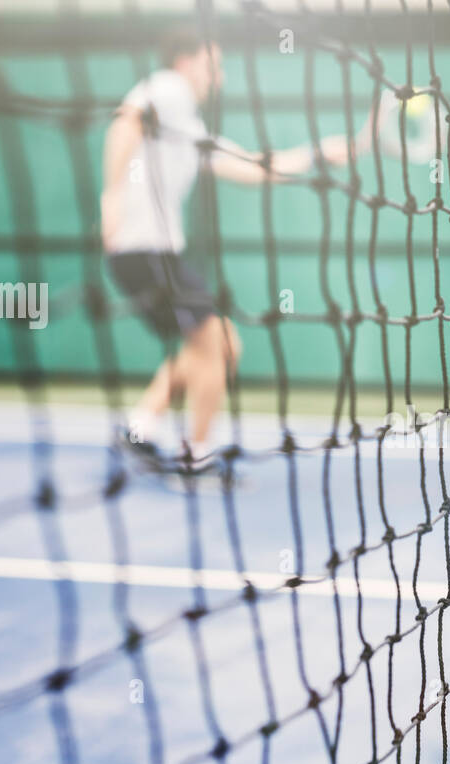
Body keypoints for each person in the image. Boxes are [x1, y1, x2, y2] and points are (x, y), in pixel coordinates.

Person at [101, 28, 365, 470]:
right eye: (213, 65)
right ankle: (195, 458)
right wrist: (112, 197)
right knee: (219, 341)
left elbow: (253, 167)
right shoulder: (168, 88)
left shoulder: (186, 127)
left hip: (153, 255)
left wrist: (319, 152)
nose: (218, 77)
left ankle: (140, 427)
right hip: (144, 250)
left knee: (215, 346)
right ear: (186, 61)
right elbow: (125, 120)